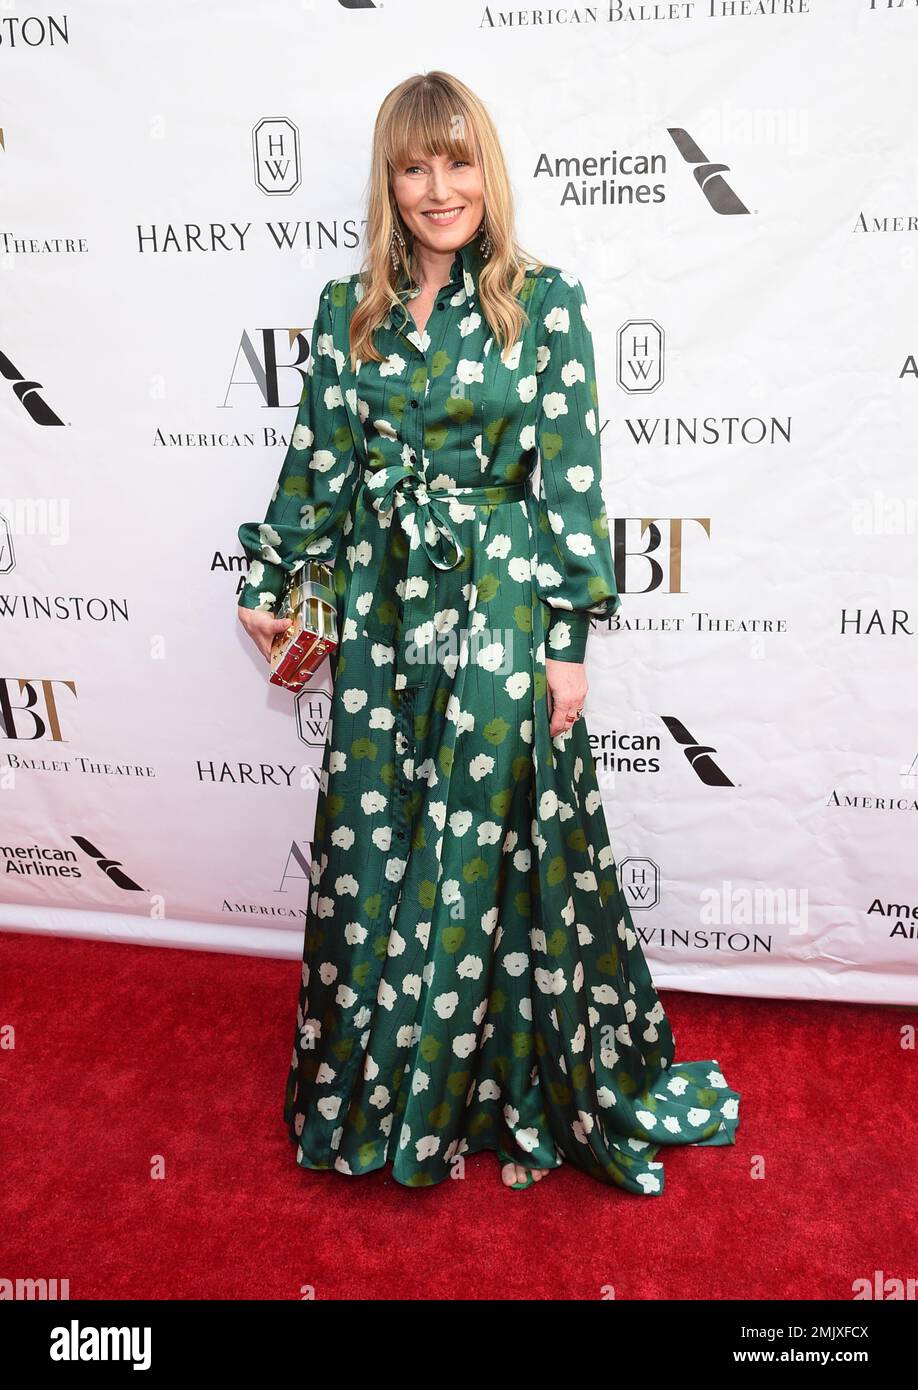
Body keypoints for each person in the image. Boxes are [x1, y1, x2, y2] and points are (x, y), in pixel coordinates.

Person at [236, 70, 740, 1193]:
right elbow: (320, 464)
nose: (437, 187)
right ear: (389, 178)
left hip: (504, 608)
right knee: (380, 846)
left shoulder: (542, 302)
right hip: (380, 608)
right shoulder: (347, 308)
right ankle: (387, 1083)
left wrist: (567, 640)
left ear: (487, 171)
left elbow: (571, 486)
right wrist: (271, 573)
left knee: (496, 847)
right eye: (415, 165)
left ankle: (498, 1085)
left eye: (458, 161)